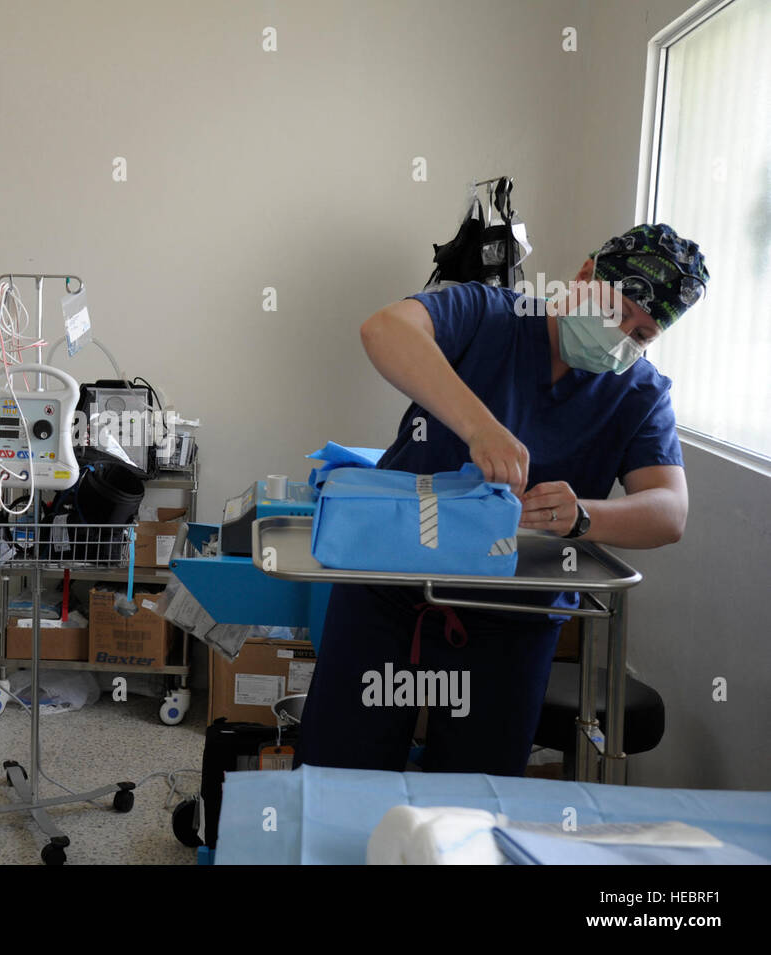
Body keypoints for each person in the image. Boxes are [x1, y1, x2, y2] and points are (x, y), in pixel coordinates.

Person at [299, 223, 709, 777]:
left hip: (513, 617)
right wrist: (480, 427)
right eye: (619, 311)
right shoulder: (490, 314)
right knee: (341, 774)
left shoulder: (637, 394)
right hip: (393, 592)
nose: (622, 338)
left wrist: (586, 516)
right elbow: (385, 329)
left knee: (475, 797)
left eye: (642, 334)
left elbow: (669, 512)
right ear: (586, 276)